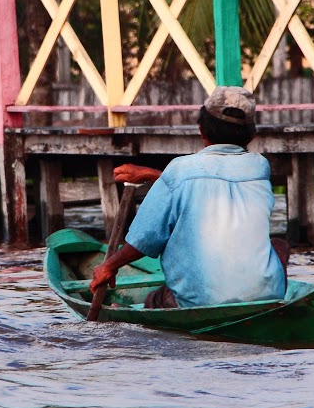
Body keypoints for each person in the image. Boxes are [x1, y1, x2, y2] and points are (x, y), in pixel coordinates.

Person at [90, 86, 290, 309]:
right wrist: (154, 175)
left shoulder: (180, 170)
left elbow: (144, 240)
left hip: (200, 300)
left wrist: (109, 266)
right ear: (252, 136)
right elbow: (211, 179)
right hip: (266, 295)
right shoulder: (259, 166)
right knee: (279, 246)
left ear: (201, 131)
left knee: (154, 300)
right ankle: (267, 298)